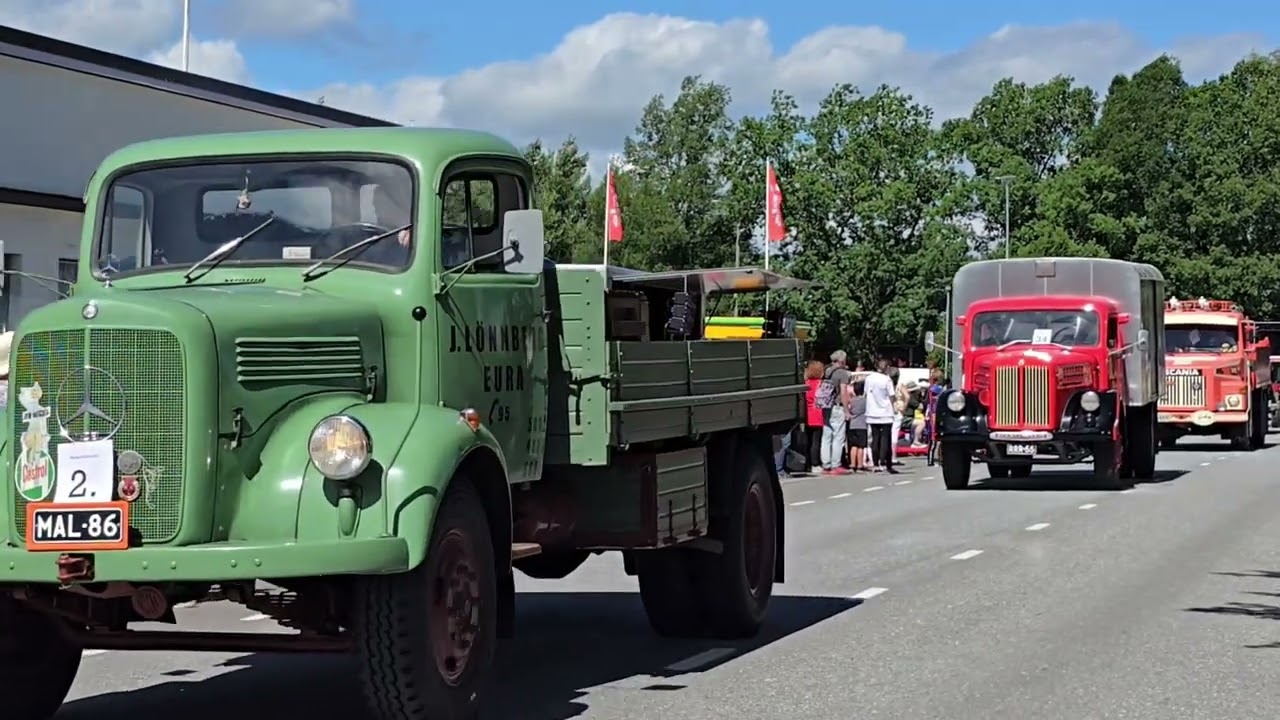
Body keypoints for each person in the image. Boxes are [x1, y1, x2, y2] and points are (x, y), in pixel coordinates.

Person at [818, 350, 852, 475]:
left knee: (826, 436)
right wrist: (847, 410)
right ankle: (836, 464)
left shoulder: (826, 371)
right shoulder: (842, 373)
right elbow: (843, 392)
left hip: (826, 405)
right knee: (838, 436)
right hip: (837, 407)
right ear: (842, 360)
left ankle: (825, 464)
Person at [865, 359, 897, 473]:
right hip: (886, 412)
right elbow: (891, 395)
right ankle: (885, 462)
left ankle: (876, 464)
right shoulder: (887, 379)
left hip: (872, 411)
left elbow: (866, 393)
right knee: (885, 438)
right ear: (887, 367)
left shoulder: (869, 378)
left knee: (875, 438)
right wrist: (894, 407)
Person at [802, 360, 825, 471]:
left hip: (806, 413)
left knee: (808, 441)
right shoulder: (820, 384)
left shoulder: (805, 383)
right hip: (817, 413)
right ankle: (815, 463)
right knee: (816, 441)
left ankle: (807, 464)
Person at [846, 380, 869, 472]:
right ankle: (859, 465)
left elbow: (849, 409)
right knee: (861, 447)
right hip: (862, 425)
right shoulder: (865, 401)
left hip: (852, 425)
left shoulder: (851, 401)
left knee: (853, 446)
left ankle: (852, 464)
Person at [889, 366, 906, 466]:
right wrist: (904, 406)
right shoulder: (900, 385)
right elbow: (907, 396)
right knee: (894, 434)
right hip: (898, 409)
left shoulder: (887, 384)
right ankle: (893, 456)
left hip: (888, 410)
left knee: (887, 433)